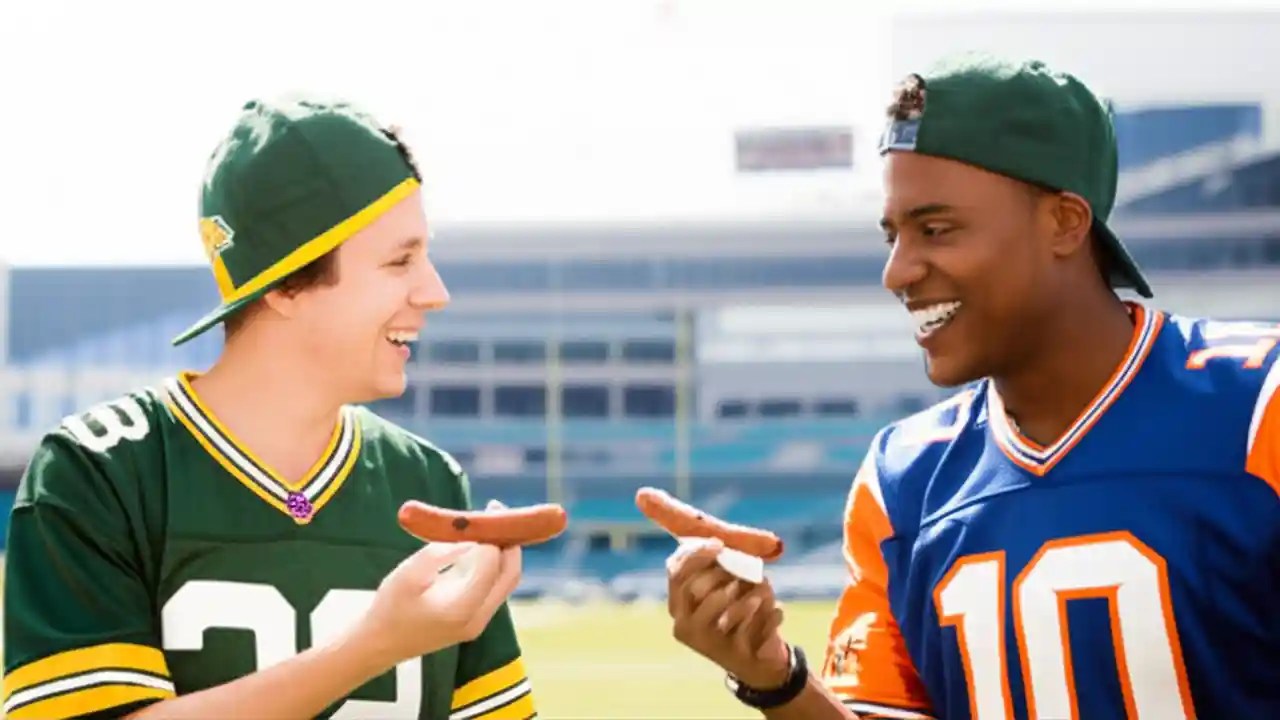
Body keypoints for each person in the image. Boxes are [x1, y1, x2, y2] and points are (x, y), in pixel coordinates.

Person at [660, 53, 1280, 719]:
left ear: (1065, 223)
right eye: (894, 236)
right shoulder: (904, 479)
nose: (897, 272)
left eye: (935, 230)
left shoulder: (1257, 406)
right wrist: (774, 676)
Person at [3, 96, 540, 719]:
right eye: (400, 261)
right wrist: (372, 648)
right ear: (285, 284)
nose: (435, 292)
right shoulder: (99, 471)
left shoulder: (426, 479)